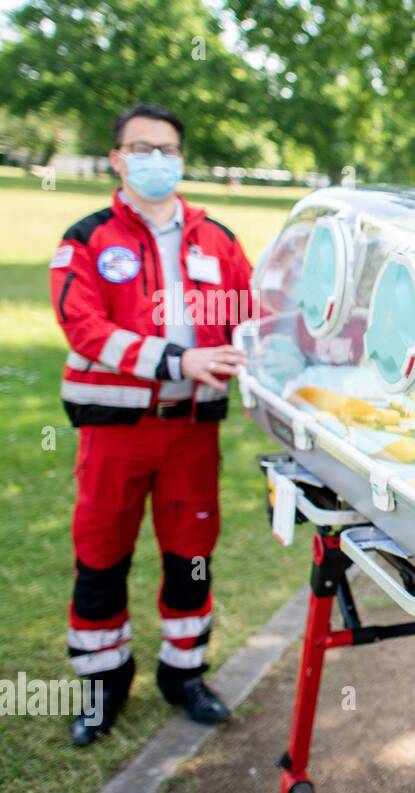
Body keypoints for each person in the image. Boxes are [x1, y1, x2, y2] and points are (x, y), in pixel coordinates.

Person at [50, 103, 251, 745]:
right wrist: (177, 358)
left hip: (193, 428)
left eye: (166, 149)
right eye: (141, 148)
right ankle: (103, 687)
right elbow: (84, 329)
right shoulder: (86, 238)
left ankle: (184, 674)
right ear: (117, 158)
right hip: (114, 430)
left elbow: (251, 315)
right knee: (102, 553)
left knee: (191, 554)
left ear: (182, 159)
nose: (155, 160)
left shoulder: (217, 238)